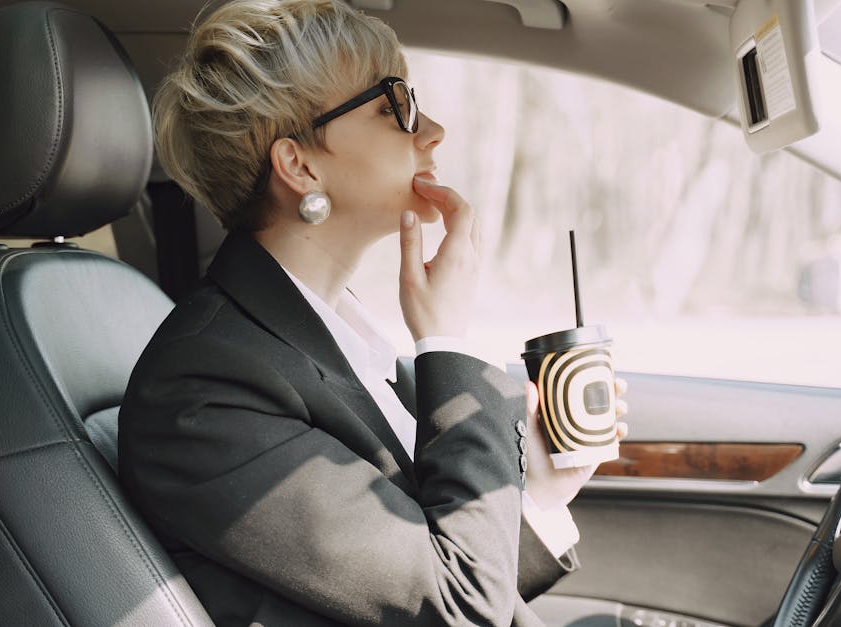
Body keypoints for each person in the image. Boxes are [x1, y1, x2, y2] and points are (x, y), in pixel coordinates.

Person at [118, 1, 628, 625]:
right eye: (396, 108)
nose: (433, 129)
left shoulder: (334, 331)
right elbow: (456, 605)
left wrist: (541, 494)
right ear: (299, 166)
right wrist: (444, 341)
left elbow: (422, 574)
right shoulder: (204, 387)